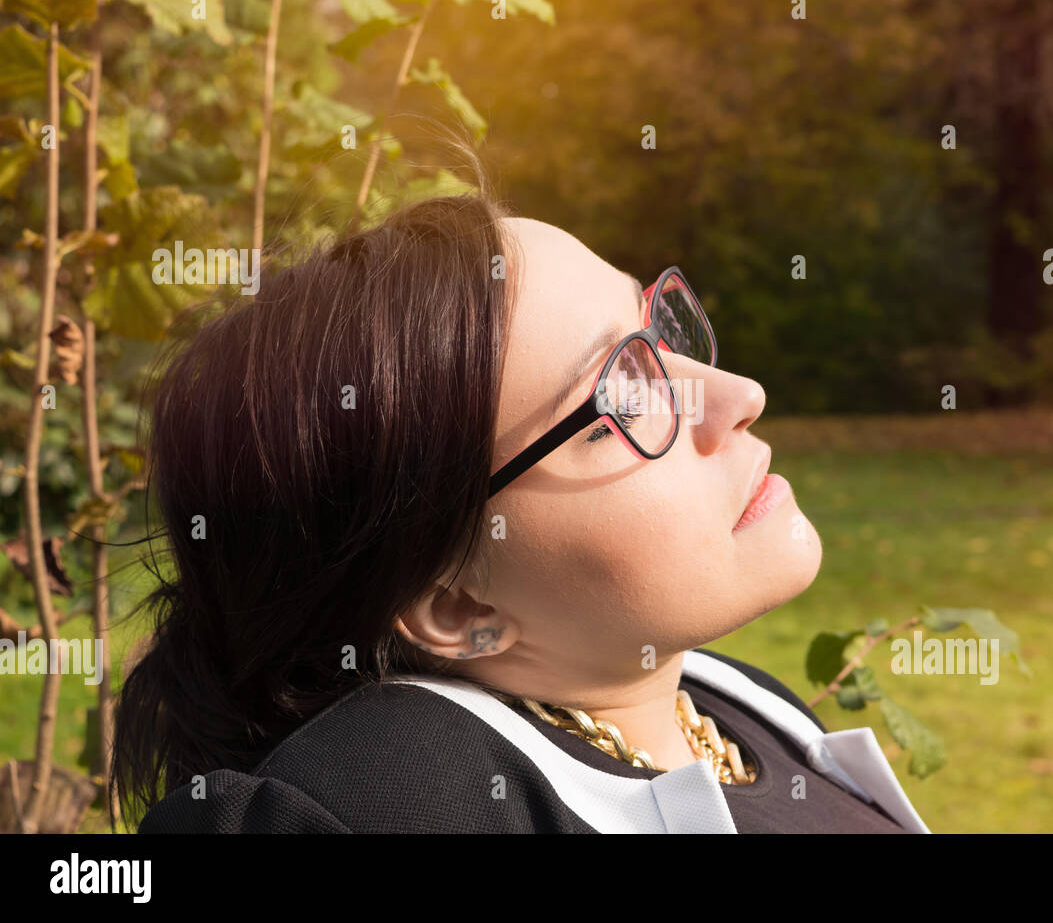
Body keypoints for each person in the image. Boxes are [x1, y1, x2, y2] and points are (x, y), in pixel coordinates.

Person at [113, 158, 930, 834]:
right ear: (458, 604)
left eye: (658, 332)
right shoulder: (396, 792)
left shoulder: (730, 704)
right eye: (619, 401)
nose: (734, 394)